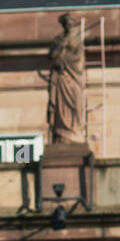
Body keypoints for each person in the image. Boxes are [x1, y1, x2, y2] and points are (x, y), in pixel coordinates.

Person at [46, 12, 86, 144]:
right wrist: (61, 49)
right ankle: (61, 134)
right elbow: (52, 57)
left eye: (71, 23)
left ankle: (75, 132)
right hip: (61, 79)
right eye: (67, 23)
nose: (69, 25)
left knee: (76, 105)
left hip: (73, 78)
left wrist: (64, 59)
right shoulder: (58, 40)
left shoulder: (77, 40)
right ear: (64, 25)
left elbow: (79, 60)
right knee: (60, 109)